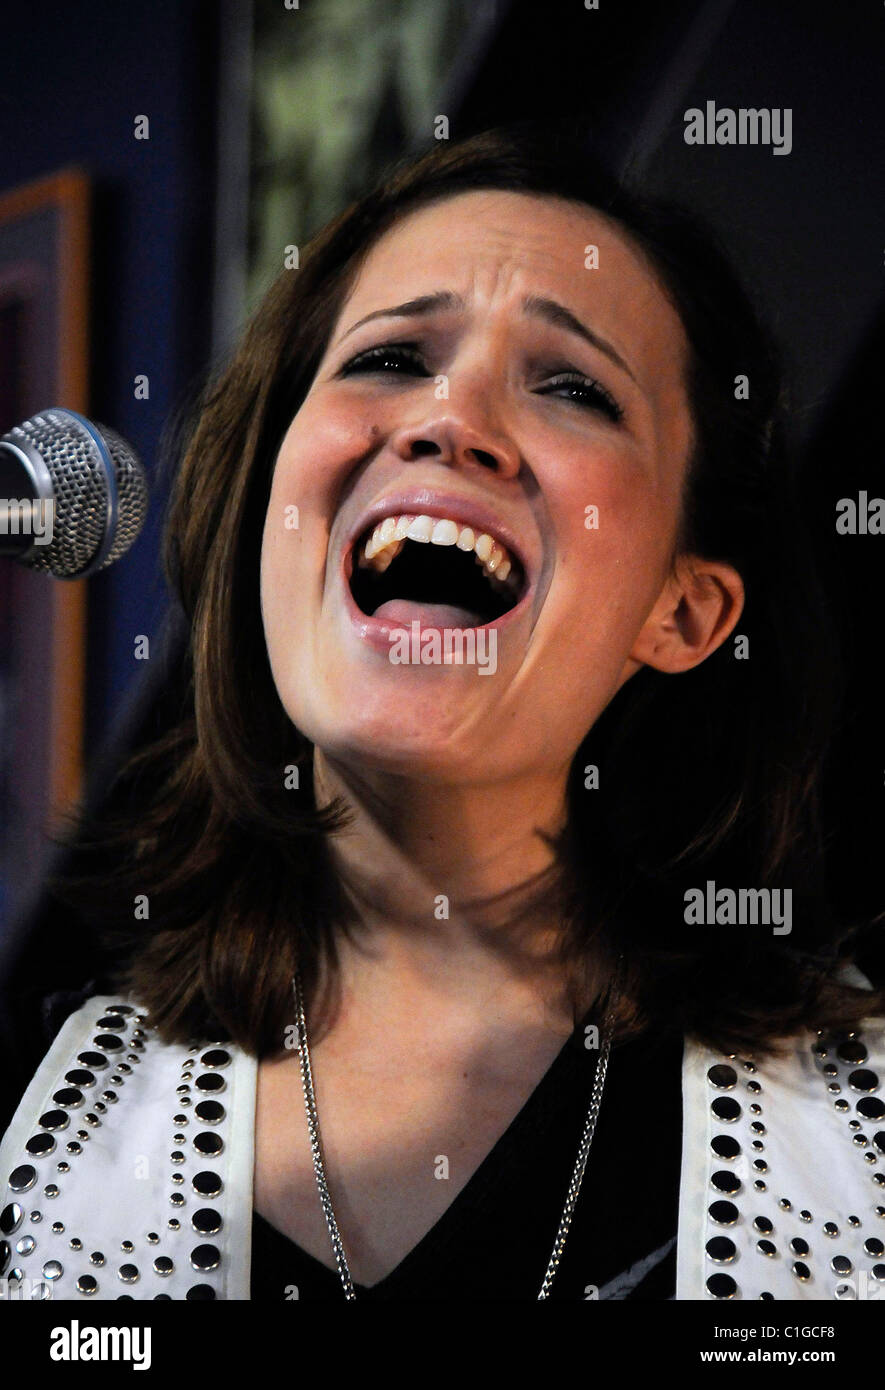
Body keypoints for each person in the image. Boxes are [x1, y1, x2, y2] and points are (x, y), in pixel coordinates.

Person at [2, 123, 883, 1302]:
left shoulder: (856, 1144)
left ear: (682, 610)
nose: (447, 417)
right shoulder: (25, 1116)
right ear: (273, 503)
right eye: (386, 358)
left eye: (573, 387)